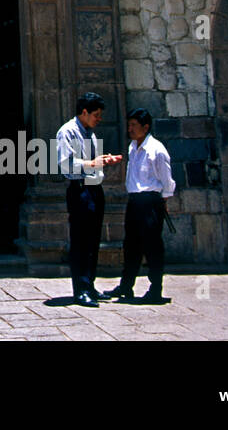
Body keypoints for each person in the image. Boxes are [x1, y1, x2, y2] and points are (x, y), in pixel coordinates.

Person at [103, 108, 175, 304]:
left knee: (152, 245)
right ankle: (126, 285)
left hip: (151, 200)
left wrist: (164, 200)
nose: (130, 129)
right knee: (131, 245)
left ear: (146, 127)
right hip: (135, 201)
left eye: (134, 125)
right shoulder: (133, 147)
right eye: (129, 125)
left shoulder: (157, 150)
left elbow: (166, 179)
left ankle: (155, 288)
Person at [55, 92, 121, 307]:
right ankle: (80, 289)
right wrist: (93, 163)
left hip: (94, 188)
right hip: (80, 189)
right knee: (81, 241)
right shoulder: (68, 132)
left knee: (93, 240)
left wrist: (103, 161)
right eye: (96, 114)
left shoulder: (89, 133)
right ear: (84, 112)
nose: (98, 119)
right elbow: (65, 165)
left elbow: (91, 163)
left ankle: (89, 284)